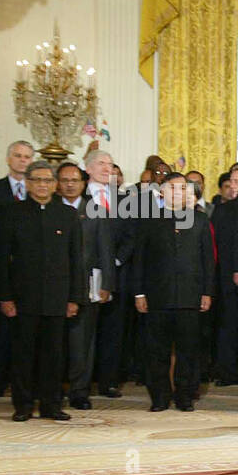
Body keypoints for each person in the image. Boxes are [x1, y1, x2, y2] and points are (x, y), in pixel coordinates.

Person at [0, 161, 84, 421]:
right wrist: (6, 296)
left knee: (54, 357)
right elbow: (2, 260)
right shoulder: (11, 213)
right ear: (27, 183)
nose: (43, 185)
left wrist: (74, 298)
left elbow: (75, 260)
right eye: (37, 180)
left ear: (54, 184)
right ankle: (23, 405)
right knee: (23, 355)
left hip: (58, 299)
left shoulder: (67, 215)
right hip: (23, 298)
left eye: (47, 180)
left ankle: (51, 405)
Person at [131, 173, 215, 412]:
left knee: (188, 351)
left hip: (190, 297)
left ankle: (184, 396)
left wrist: (207, 292)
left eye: (182, 188)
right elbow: (139, 260)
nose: (177, 192)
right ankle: (159, 397)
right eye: (172, 188)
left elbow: (207, 260)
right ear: (162, 192)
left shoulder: (199, 220)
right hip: (157, 296)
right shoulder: (148, 220)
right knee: (156, 351)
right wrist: (139, 293)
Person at [0, 139, 35, 401]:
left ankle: (24, 385)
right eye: (18, 156)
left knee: (29, 336)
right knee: (0, 334)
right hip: (1, 272)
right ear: (8, 159)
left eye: (27, 156)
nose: (22, 160)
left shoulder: (40, 192)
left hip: (31, 277)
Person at [59, 160, 113, 409]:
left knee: (83, 343)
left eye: (75, 180)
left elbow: (105, 250)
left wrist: (106, 285)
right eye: (65, 180)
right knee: (54, 342)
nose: (70, 185)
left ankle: (79, 392)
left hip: (87, 286)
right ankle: (53, 390)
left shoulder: (95, 210)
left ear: (83, 183)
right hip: (53, 287)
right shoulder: (48, 208)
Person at [90, 148, 133, 398]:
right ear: (88, 168)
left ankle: (108, 381)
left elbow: (131, 236)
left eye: (110, 164)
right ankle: (79, 384)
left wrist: (114, 261)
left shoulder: (125, 199)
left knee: (112, 331)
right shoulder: (76, 195)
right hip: (80, 274)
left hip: (115, 274)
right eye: (101, 163)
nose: (107, 168)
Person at [211, 164, 238, 386]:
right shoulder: (221, 210)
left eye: (237, 182)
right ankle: (226, 372)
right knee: (227, 326)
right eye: (231, 182)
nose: (232, 187)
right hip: (225, 276)